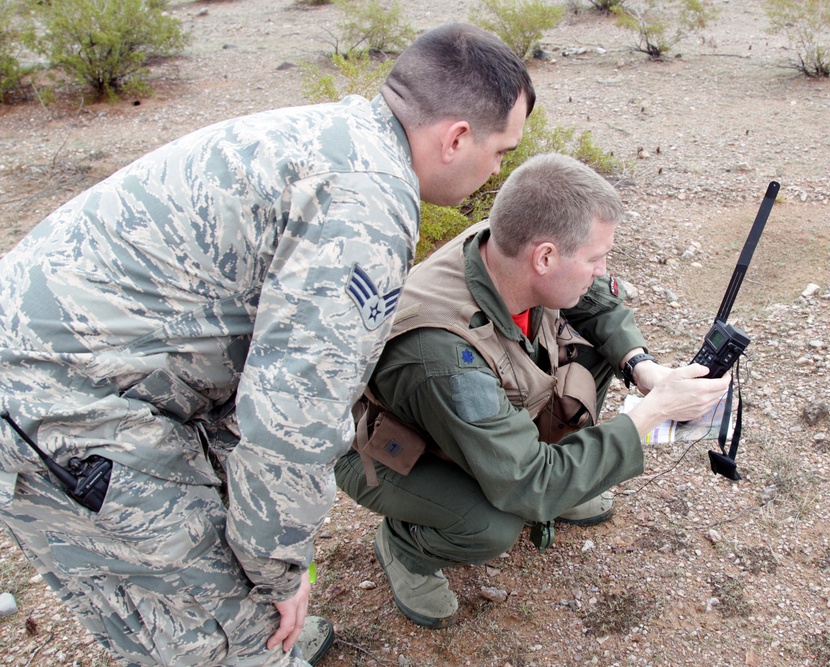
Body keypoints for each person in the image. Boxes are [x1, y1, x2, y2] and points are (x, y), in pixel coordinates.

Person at [0, 23, 533, 667]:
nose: (497, 170)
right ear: (456, 138)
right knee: (231, 640)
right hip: (72, 409)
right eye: (500, 151)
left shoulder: (337, 135)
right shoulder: (366, 205)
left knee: (174, 608)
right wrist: (279, 575)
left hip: (69, 377)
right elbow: (295, 416)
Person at [334, 153, 732, 629]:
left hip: (462, 421)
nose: (602, 269)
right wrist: (652, 412)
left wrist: (642, 368)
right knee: (491, 524)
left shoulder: (507, 248)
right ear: (544, 258)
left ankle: (567, 480)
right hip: (388, 450)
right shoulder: (443, 358)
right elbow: (528, 484)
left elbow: (598, 303)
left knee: (596, 350)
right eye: (595, 258)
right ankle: (404, 547)